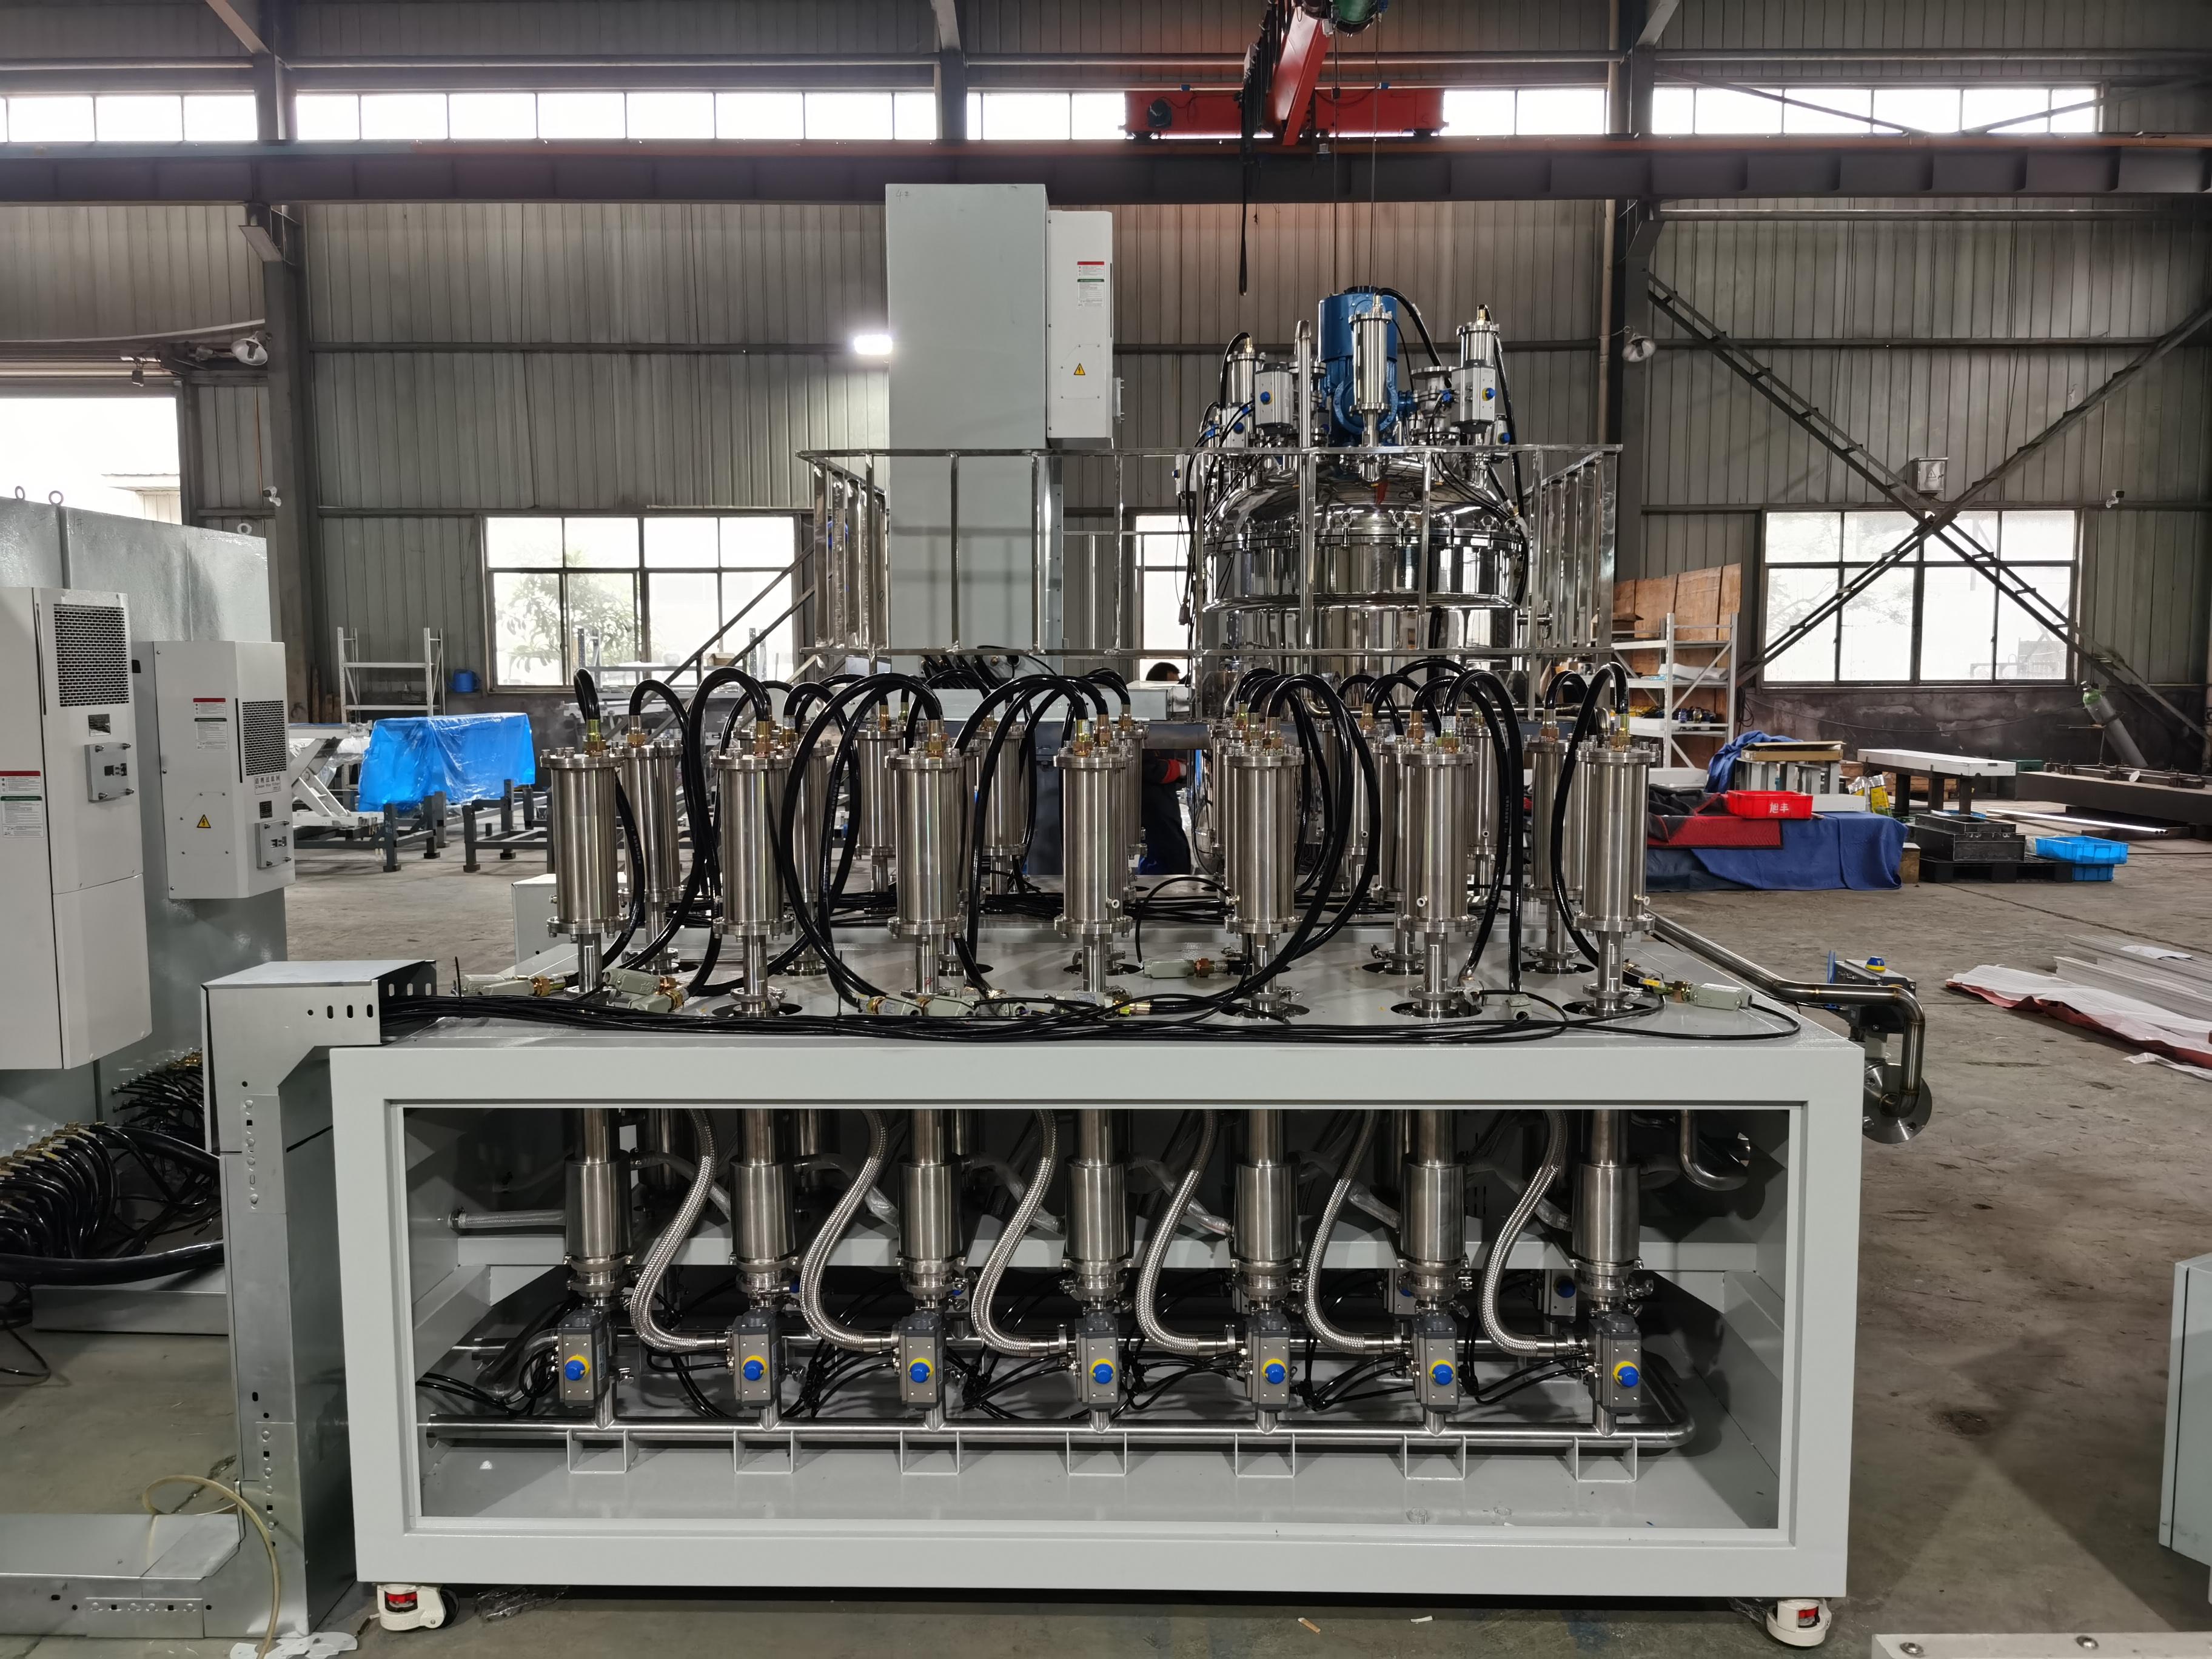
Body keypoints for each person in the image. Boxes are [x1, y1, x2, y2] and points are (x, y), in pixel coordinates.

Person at [1138, 662, 1192, 874]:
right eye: (1171, 686)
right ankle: (1162, 888)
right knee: (1167, 851)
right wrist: (1180, 769)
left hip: (1165, 796)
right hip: (1152, 800)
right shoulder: (1145, 720)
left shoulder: (1165, 720)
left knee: (1173, 848)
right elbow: (1148, 768)